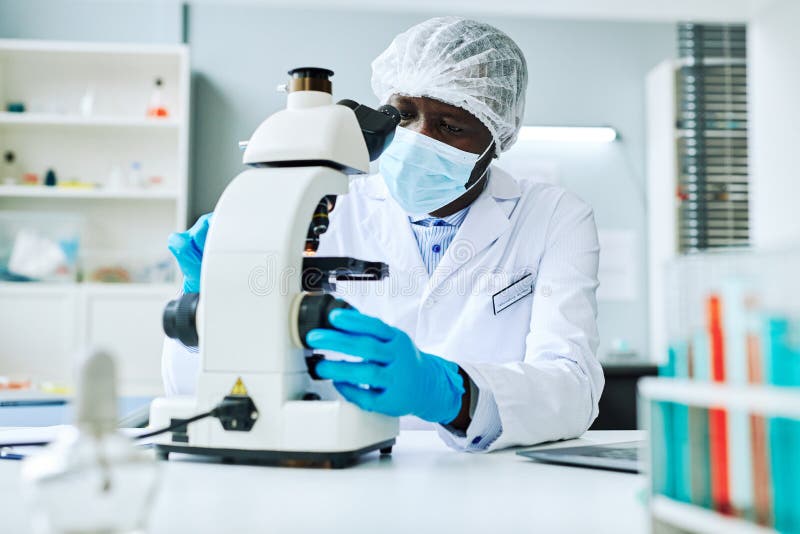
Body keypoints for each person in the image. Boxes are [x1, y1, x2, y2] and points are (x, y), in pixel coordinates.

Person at [164, 16, 603, 452]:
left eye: (450, 126)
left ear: (497, 136)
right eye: (405, 114)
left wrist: (451, 392)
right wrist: (212, 309)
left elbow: (572, 387)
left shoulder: (552, 217)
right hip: (331, 463)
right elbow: (189, 393)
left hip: (485, 475)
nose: (417, 138)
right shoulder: (322, 205)